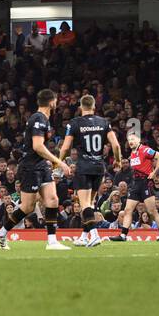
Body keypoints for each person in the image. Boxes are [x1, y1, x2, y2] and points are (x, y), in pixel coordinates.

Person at [0, 88, 72, 251]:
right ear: (51, 102)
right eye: (56, 101)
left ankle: (52, 241)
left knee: (53, 200)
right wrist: (59, 161)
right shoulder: (38, 118)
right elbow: (37, 146)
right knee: (28, 207)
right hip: (30, 167)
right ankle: (1, 233)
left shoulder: (44, 118)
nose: (56, 103)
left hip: (41, 165)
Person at [58, 94, 121, 247]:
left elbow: (66, 147)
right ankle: (84, 236)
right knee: (90, 203)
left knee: (84, 203)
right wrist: (118, 160)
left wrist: (59, 162)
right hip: (99, 168)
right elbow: (116, 145)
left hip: (83, 168)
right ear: (94, 107)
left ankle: (94, 235)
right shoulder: (104, 122)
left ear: (80, 107)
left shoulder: (74, 123)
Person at [113, 132, 159, 241]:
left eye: (133, 139)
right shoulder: (132, 153)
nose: (131, 142)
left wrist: (155, 172)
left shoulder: (145, 149)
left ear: (138, 140)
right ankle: (123, 235)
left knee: (152, 211)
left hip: (145, 184)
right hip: (135, 184)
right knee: (128, 210)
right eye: (129, 140)